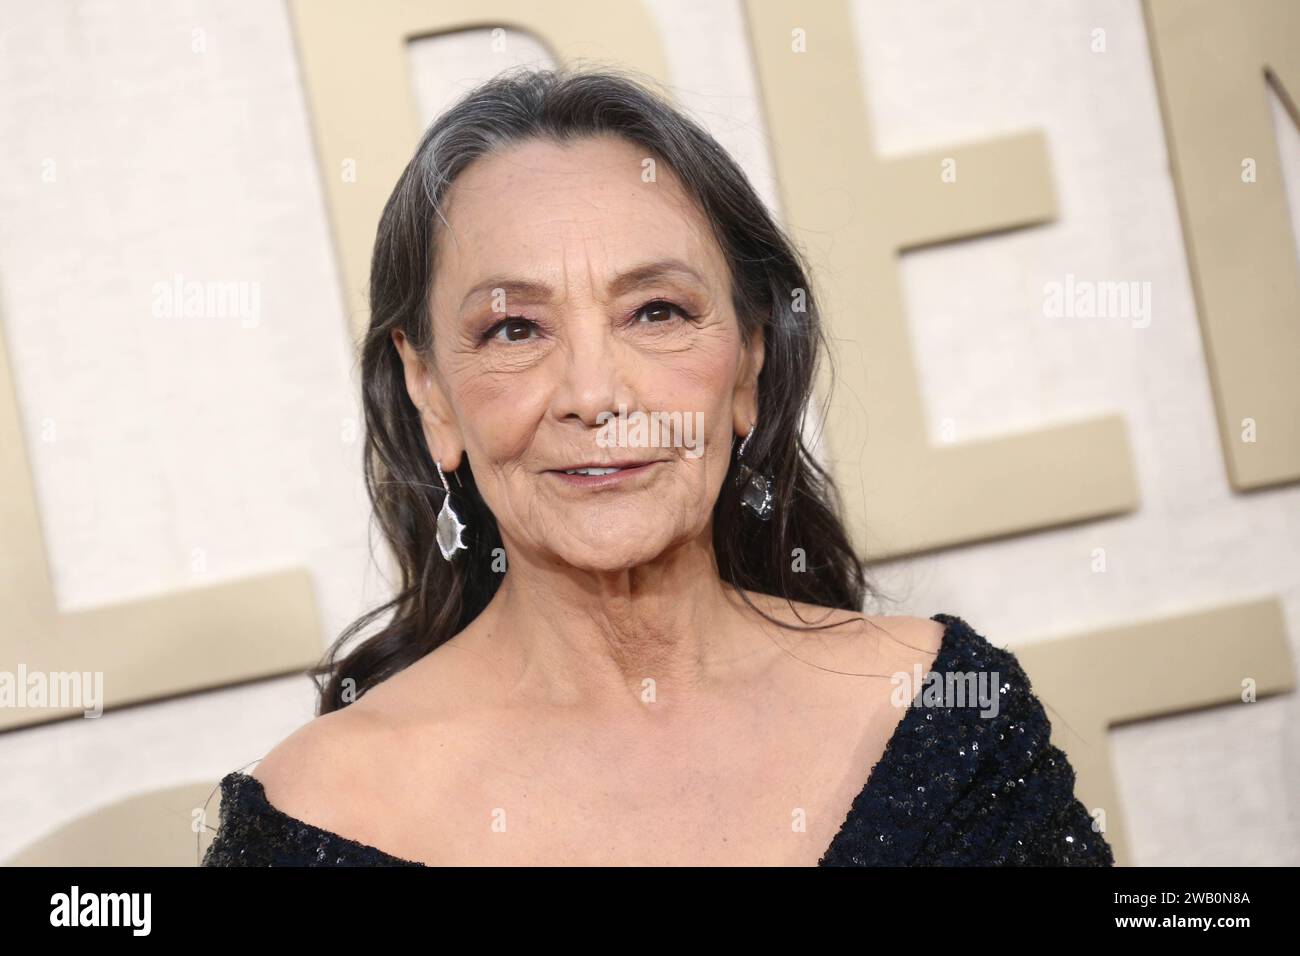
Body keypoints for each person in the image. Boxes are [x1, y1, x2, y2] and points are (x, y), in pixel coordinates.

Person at [202, 66, 1113, 867]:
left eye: (656, 313)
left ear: (750, 363)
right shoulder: (316, 812)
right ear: (432, 392)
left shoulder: (942, 716)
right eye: (515, 328)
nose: (594, 393)